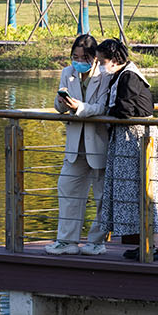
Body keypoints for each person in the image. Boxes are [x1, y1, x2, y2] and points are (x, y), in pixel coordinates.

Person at [92, 39, 158, 261]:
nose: (101, 65)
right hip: (130, 138)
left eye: (103, 61)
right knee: (136, 190)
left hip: (137, 137)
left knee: (142, 189)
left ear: (114, 59)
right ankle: (151, 242)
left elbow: (125, 110)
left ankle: (155, 244)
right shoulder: (122, 75)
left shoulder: (129, 77)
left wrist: (105, 111)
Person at [47, 34, 113, 256]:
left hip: (98, 143)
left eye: (83, 57)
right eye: (75, 56)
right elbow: (59, 108)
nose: (78, 61)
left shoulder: (105, 76)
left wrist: (79, 107)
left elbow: (102, 107)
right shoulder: (68, 73)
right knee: (67, 189)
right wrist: (62, 102)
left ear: (94, 58)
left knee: (102, 195)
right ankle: (67, 241)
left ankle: (96, 241)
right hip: (75, 146)